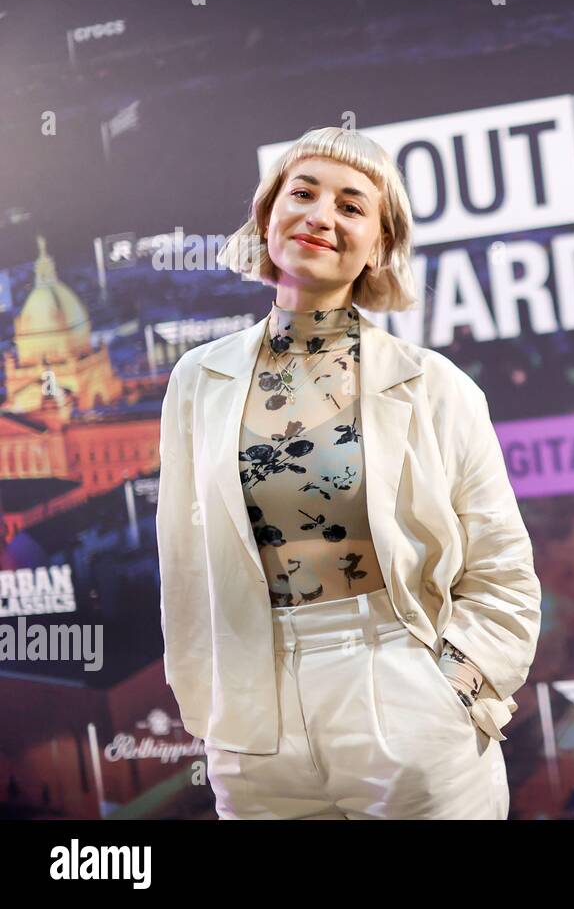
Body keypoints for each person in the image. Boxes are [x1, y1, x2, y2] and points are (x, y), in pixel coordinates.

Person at [156, 126, 541, 818]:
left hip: (404, 693)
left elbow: (502, 565)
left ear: (380, 246)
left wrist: (458, 685)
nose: (320, 215)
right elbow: (185, 562)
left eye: (351, 205)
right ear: (267, 214)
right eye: (301, 193)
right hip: (253, 725)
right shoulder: (197, 378)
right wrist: (211, 706)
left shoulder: (435, 386)